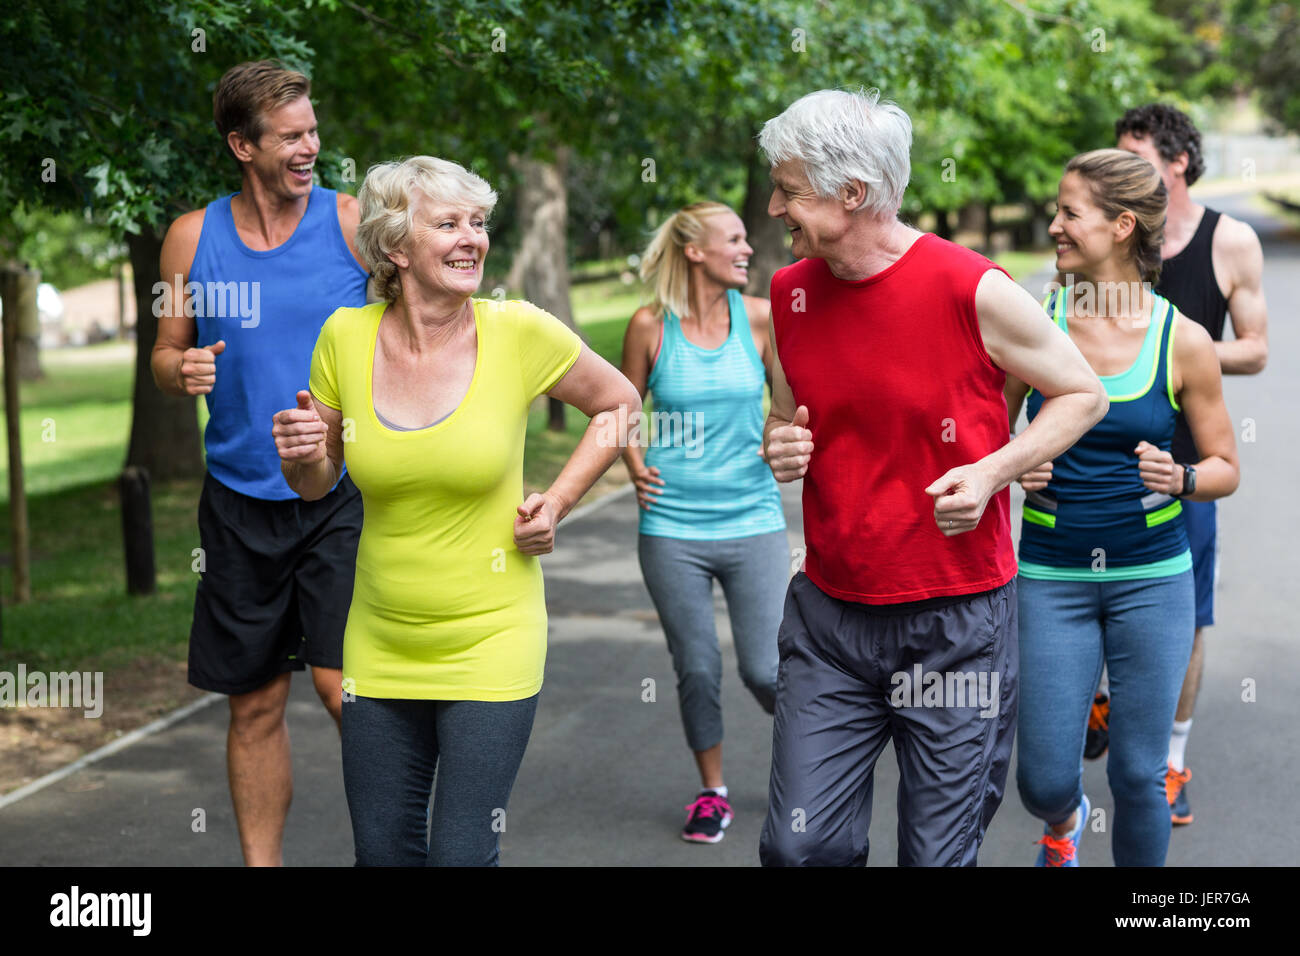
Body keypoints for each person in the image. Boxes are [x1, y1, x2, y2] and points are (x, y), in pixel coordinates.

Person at [755, 88, 1108, 867]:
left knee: (935, 857)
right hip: (830, 621)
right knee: (796, 848)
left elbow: (1084, 392)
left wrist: (992, 471)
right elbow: (787, 419)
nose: (775, 204)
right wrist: (780, 444)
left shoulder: (969, 286)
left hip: (955, 625)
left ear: (852, 194)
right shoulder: (790, 295)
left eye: (788, 188)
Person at [272, 155, 639, 866]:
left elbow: (620, 404)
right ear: (395, 247)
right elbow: (315, 485)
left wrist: (558, 500)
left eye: (478, 222)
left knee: (463, 855)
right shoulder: (344, 337)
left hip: (491, 638)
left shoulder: (519, 331)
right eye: (447, 223)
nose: (472, 237)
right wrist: (300, 453)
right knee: (382, 855)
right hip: (379, 643)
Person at [151, 60, 369, 866]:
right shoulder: (189, 238)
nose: (310, 146)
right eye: (290, 137)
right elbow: (165, 353)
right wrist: (182, 372)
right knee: (253, 706)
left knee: (343, 689)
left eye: (313, 130)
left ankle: (401, 845)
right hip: (239, 503)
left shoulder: (349, 223)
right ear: (242, 145)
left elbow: (407, 333)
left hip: (341, 493)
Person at [1010, 149, 1240, 866]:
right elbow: (980, 427)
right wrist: (1017, 457)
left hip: (1152, 578)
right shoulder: (1031, 323)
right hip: (1051, 577)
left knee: (1139, 775)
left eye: (1068, 213)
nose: (1053, 226)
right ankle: (1064, 821)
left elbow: (1227, 466)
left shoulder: (1184, 340)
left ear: (1121, 226)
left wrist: (1184, 478)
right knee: (1044, 776)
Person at [1106, 105, 1267, 826]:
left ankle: (1171, 763)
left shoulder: (1228, 241)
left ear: (1177, 162)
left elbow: (1256, 348)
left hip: (1186, 462)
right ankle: (1095, 694)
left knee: (1185, 619)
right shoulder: (1108, 237)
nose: (1121, 172)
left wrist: (1173, 354)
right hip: (1103, 452)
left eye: (1135, 157)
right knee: (1089, 592)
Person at [620, 201, 788, 844]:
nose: (748, 248)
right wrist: (634, 463)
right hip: (672, 525)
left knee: (767, 670)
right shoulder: (649, 326)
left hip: (753, 517)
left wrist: (782, 440)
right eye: (736, 239)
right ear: (695, 251)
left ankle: (827, 743)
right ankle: (713, 792)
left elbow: (791, 404)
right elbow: (620, 408)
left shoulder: (762, 320)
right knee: (696, 665)